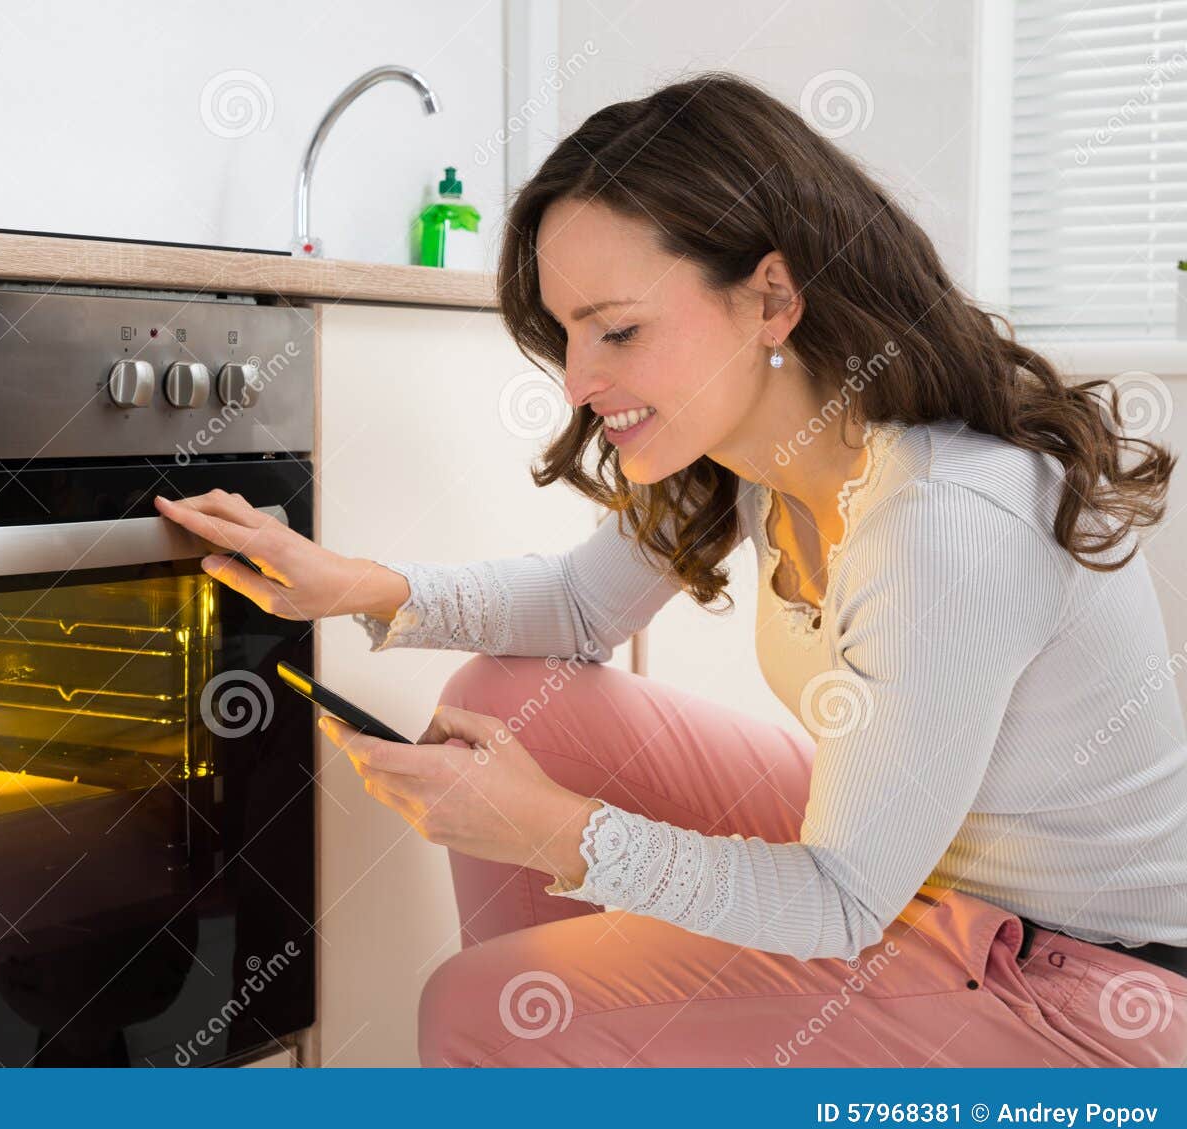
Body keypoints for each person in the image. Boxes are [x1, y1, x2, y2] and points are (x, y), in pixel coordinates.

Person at [154, 71, 1187, 1068]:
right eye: (568, 335)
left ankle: (537, 1050)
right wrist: (351, 583)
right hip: (919, 879)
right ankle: (577, 1069)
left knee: (484, 1012)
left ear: (771, 298)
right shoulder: (761, 456)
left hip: (1077, 992)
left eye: (619, 330)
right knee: (516, 701)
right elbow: (575, 605)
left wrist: (553, 830)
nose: (577, 381)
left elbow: (840, 901)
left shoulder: (941, 520)